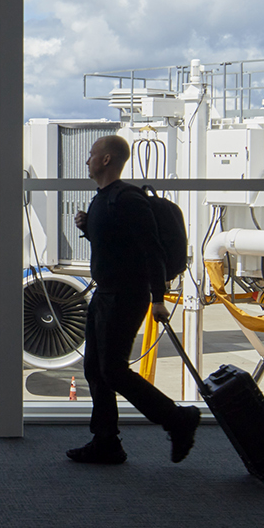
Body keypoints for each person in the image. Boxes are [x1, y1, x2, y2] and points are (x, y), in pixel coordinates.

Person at [66, 135, 200, 466]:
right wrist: (88, 227)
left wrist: (158, 298)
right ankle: (106, 442)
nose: (87, 160)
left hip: (126, 295)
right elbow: (117, 245)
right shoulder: (103, 199)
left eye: (92, 155)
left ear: (106, 160)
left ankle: (177, 419)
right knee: (95, 369)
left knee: (112, 370)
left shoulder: (127, 199)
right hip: (106, 293)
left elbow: (151, 250)